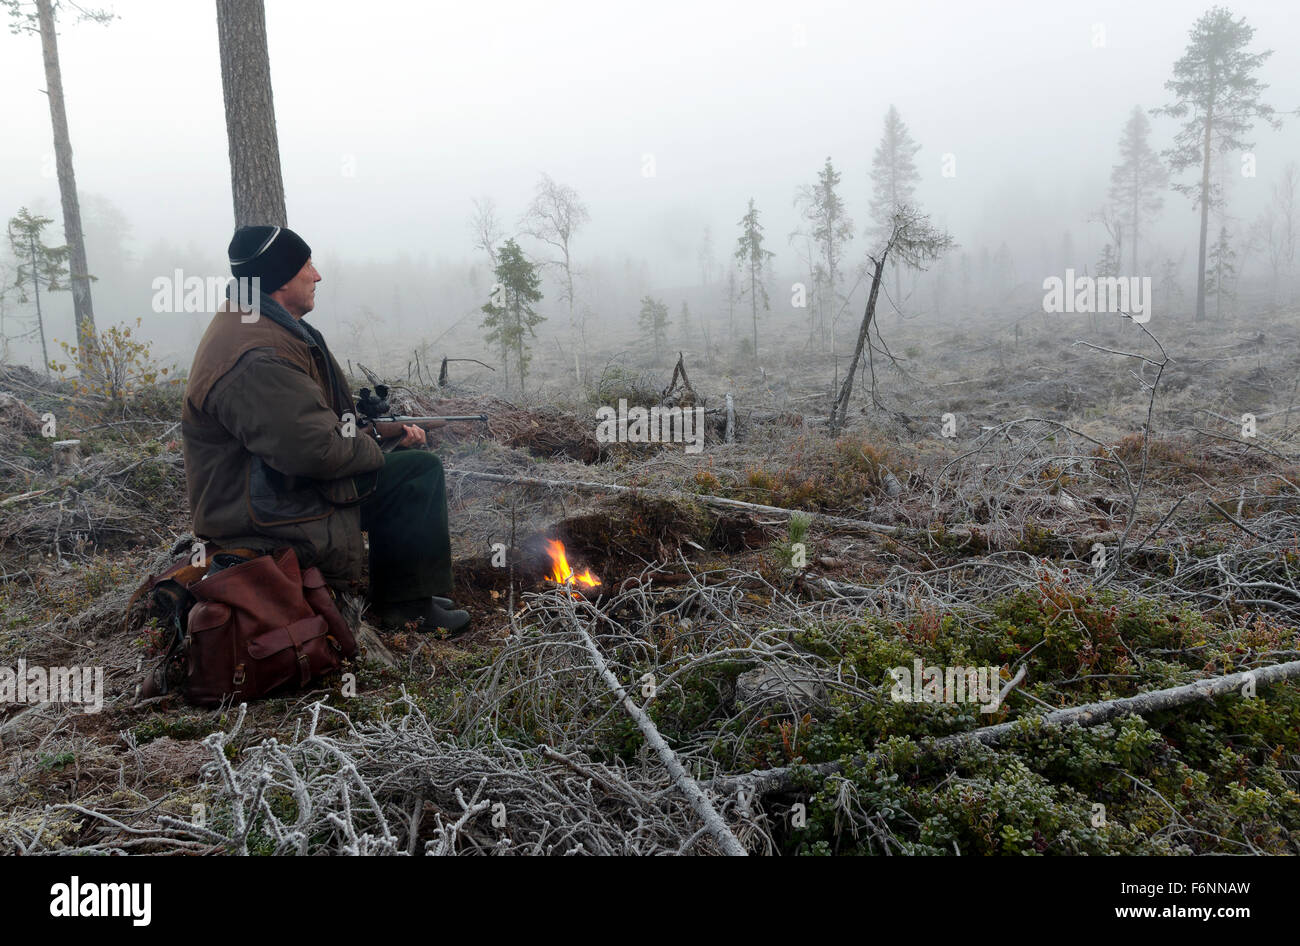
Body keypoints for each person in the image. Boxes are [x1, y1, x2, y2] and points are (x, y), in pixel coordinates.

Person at [179, 224, 470, 634]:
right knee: (415, 474)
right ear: (279, 278)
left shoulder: (261, 326)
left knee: (405, 465)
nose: (317, 276)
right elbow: (313, 451)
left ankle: (409, 591)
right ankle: (406, 608)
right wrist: (372, 445)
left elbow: (305, 424)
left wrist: (377, 435)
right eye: (307, 266)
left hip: (272, 491)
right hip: (265, 514)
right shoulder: (257, 356)